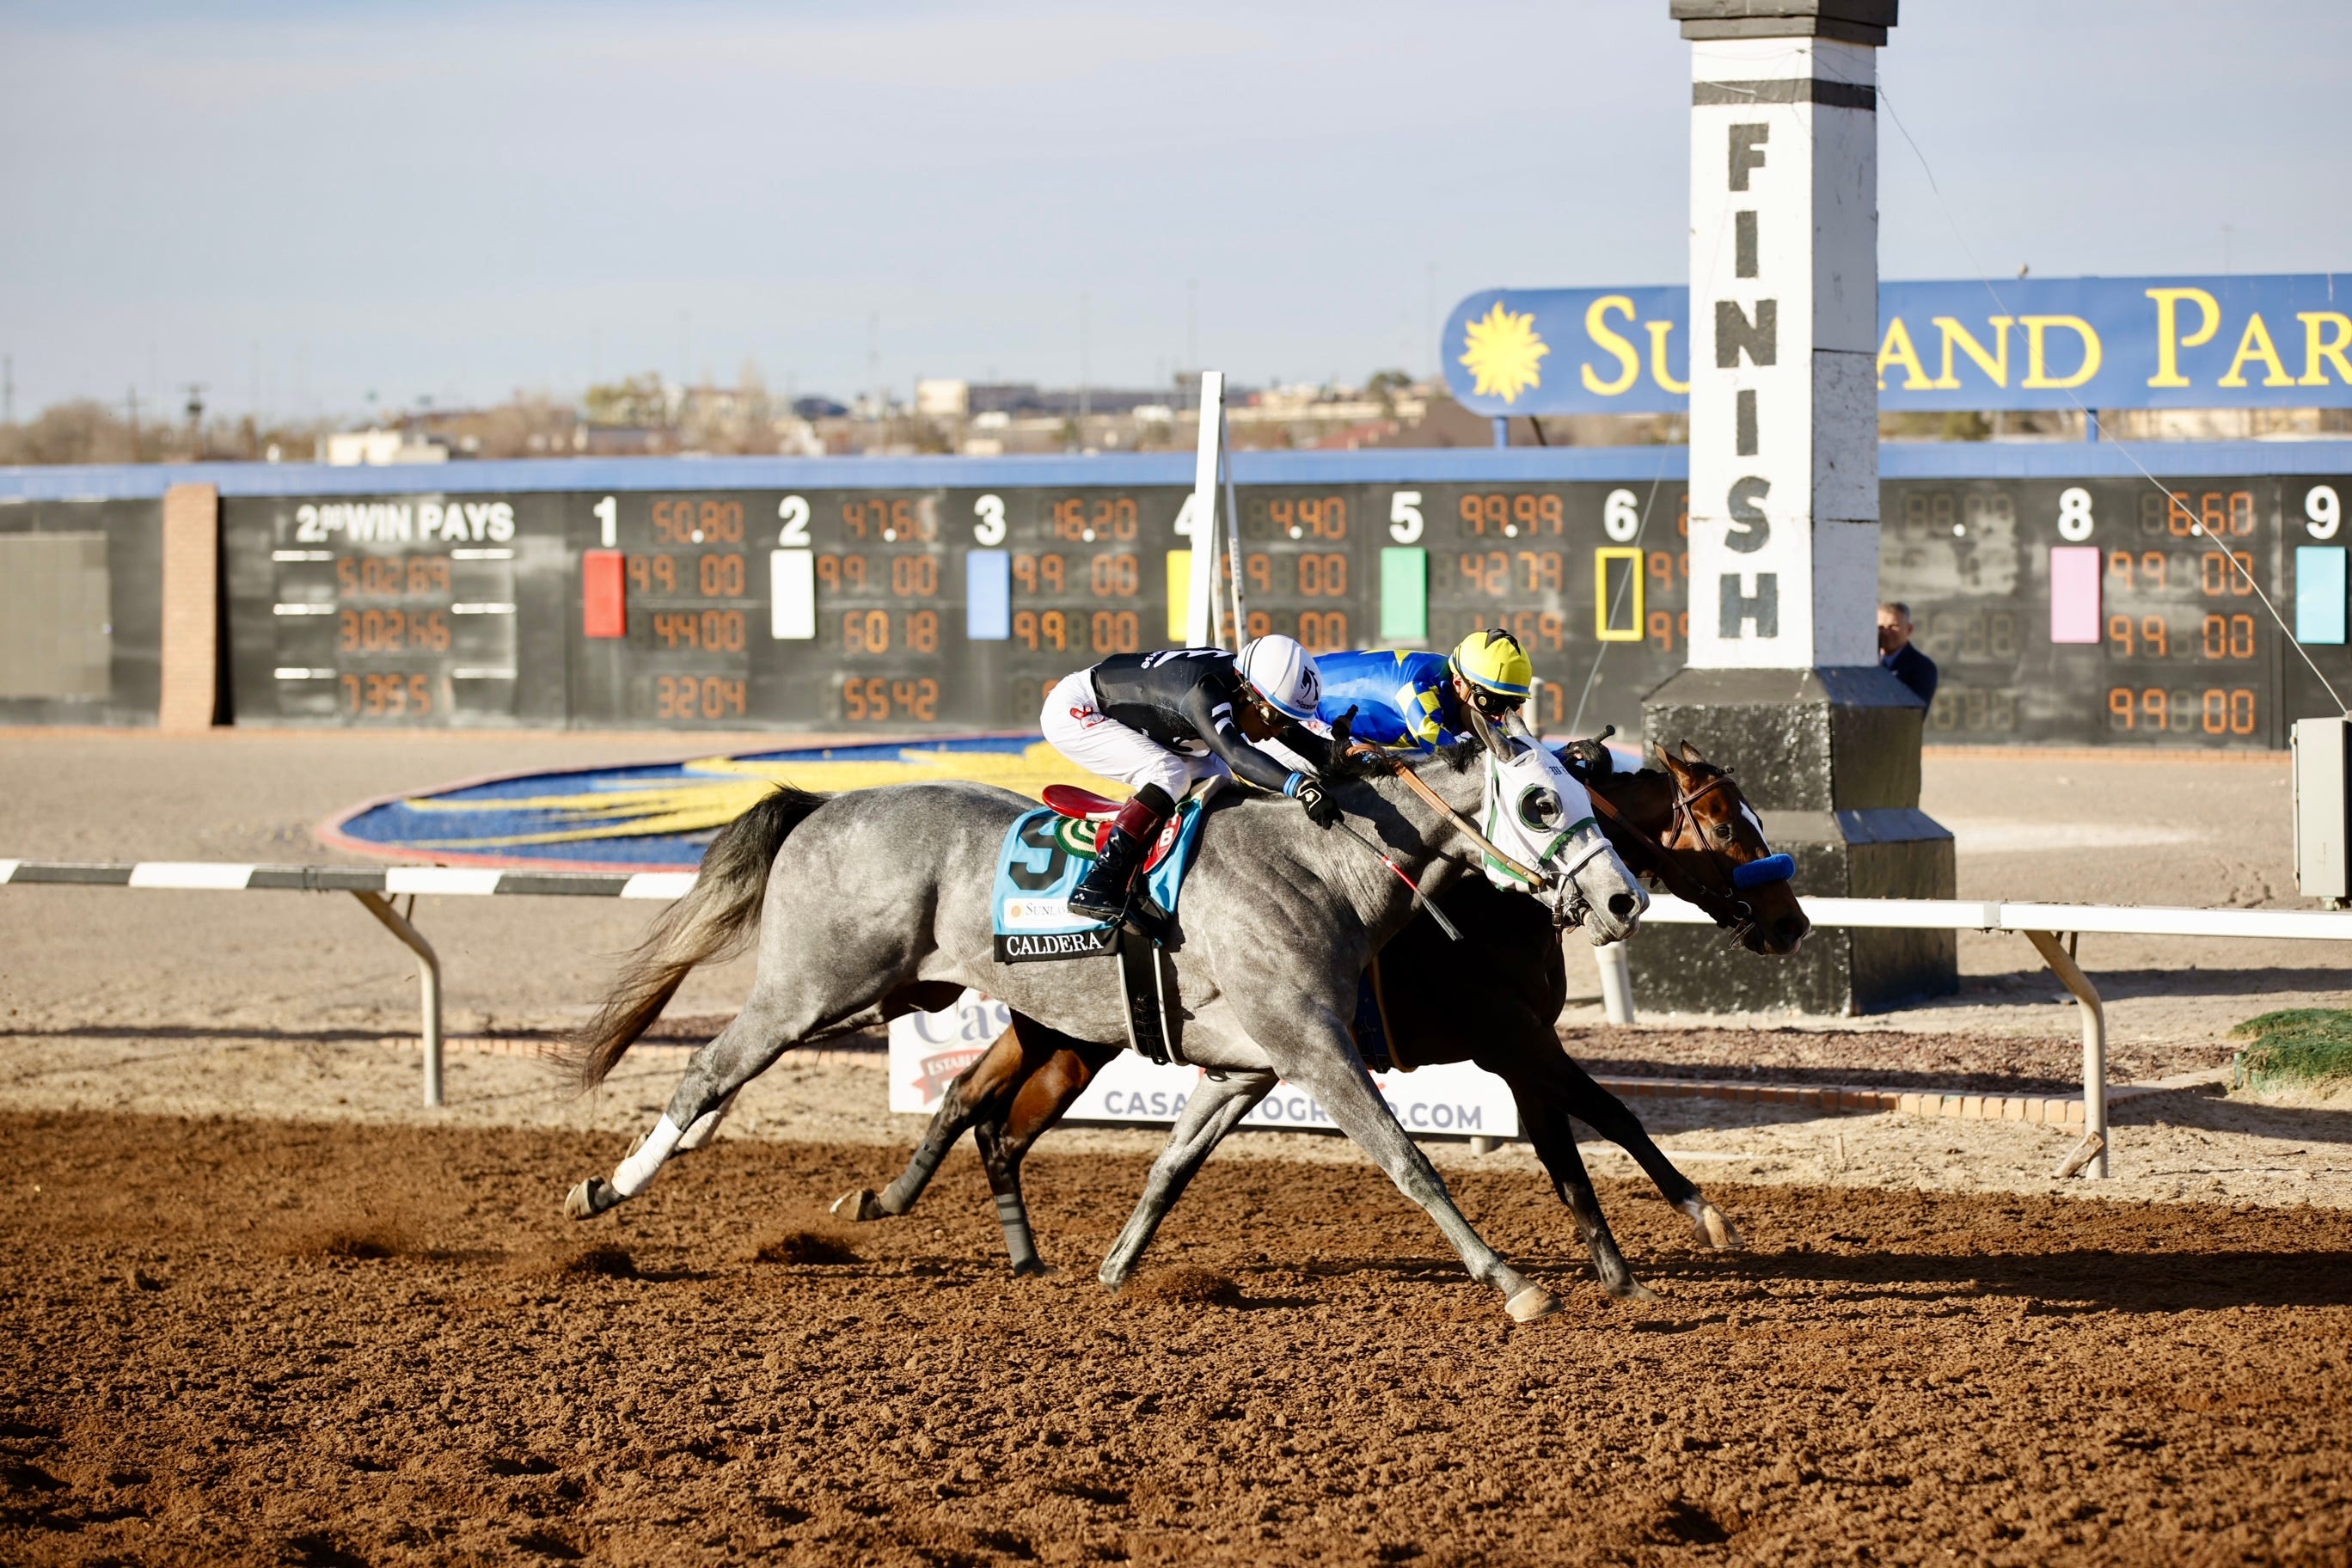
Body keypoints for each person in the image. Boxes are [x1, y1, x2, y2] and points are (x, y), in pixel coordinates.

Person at [1042, 635, 1338, 922]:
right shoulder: (1204, 693)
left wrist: (1346, 754)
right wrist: (1301, 786)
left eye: (1287, 721)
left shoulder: (1245, 684)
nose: (1276, 732)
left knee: (1220, 781)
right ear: (1247, 692)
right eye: (1275, 720)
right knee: (1169, 774)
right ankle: (1098, 883)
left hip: (1137, 713)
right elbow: (1236, 754)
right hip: (1079, 707)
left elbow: (1301, 739)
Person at [1311, 628, 1537, 754]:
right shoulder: (1418, 688)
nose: (1498, 716)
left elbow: (1511, 748)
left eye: (1511, 705)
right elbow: (1449, 758)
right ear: (1459, 682)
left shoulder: (1458, 691)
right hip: (1309, 717)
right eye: (1491, 702)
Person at [1877, 601, 1939, 707]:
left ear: (1909, 629)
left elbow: (1913, 709)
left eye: (1893, 626)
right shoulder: (1867, 663)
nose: (1886, 633)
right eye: (1881, 627)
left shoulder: (1922, 667)